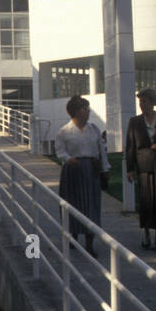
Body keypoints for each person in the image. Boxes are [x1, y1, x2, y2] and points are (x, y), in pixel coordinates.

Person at [55, 95, 108, 257]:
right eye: (85, 109)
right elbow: (60, 151)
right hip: (73, 170)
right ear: (76, 111)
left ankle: (89, 243)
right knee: (73, 204)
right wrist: (68, 159)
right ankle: (73, 237)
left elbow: (101, 151)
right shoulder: (65, 131)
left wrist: (105, 169)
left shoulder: (94, 129)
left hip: (90, 169)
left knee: (91, 204)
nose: (88, 111)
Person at [125, 87, 156, 252]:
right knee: (146, 202)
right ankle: (146, 233)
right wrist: (130, 169)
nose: (142, 104)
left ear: (153, 103)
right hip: (144, 166)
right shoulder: (134, 122)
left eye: (145, 101)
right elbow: (130, 147)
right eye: (140, 102)